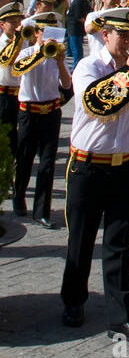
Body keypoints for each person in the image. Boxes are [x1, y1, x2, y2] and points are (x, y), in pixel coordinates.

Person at [60, 6, 129, 347]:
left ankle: (122, 317)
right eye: (124, 35)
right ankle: (73, 301)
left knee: (120, 243)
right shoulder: (89, 67)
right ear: (106, 35)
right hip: (89, 166)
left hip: (127, 166)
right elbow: (97, 102)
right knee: (82, 239)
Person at [11, 11, 72, 227]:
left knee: (47, 164)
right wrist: (40, 53)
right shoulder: (25, 53)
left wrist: (61, 62)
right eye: (44, 32)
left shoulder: (58, 54)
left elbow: (66, 86)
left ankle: (42, 211)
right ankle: (19, 199)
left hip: (51, 113)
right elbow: (18, 71)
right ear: (36, 33)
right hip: (28, 112)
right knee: (25, 159)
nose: (48, 37)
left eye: (52, 32)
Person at [0, 0, 25, 160]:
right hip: (2, 94)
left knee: (16, 137)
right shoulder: (1, 43)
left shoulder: (23, 42)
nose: (17, 24)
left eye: (18, 20)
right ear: (2, 25)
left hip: (19, 94)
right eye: (12, 21)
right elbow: (7, 61)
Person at [65, 0, 92, 72]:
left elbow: (78, 16)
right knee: (78, 49)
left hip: (74, 28)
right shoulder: (84, 0)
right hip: (78, 29)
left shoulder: (77, 2)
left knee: (76, 50)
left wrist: (84, 22)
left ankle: (76, 68)